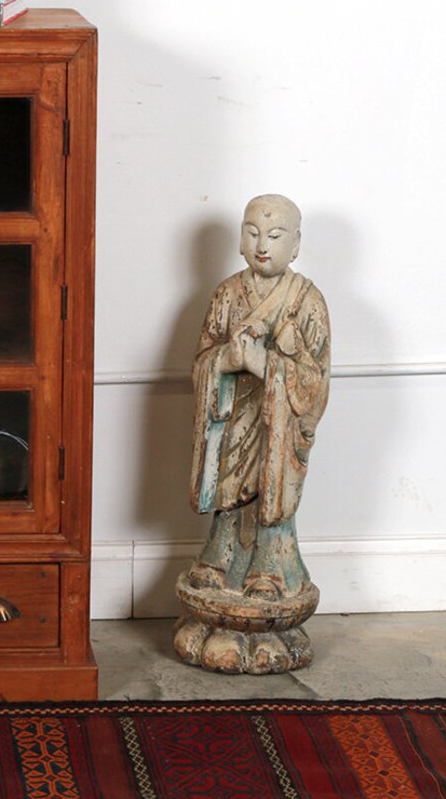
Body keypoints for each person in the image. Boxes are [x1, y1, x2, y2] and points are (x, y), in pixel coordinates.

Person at [187, 194, 330, 600]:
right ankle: (219, 558)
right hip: (234, 425)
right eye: (252, 233)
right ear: (240, 239)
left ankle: (271, 569)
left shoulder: (307, 302)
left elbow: (314, 383)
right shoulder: (227, 295)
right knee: (229, 490)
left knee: (272, 483)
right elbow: (202, 363)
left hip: (278, 429)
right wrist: (227, 361)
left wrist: (265, 364)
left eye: (274, 235)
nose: (262, 245)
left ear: (296, 244)